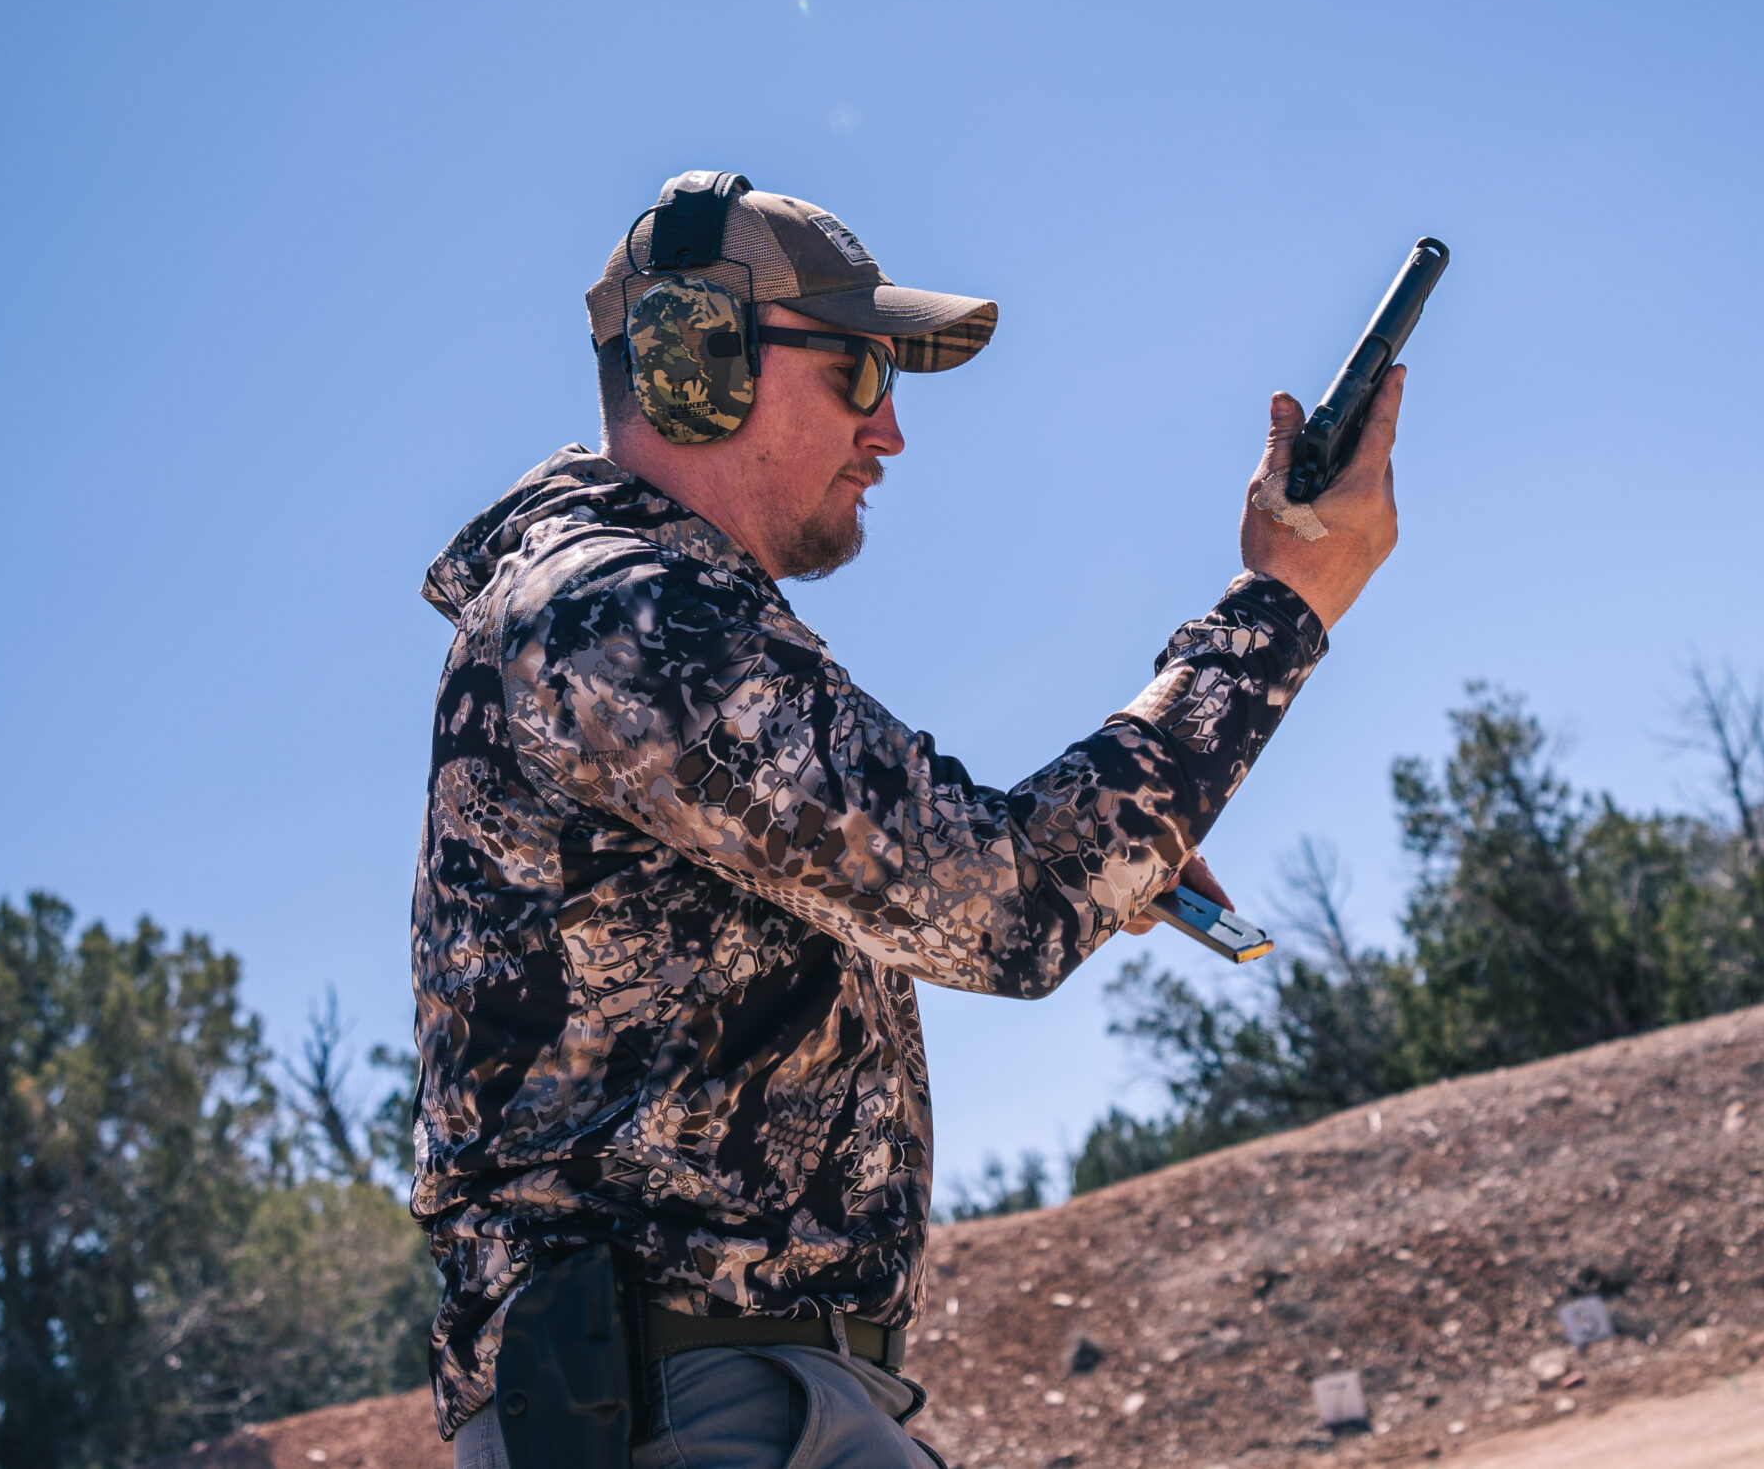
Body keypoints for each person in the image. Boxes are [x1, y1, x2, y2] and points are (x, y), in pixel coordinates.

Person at [409, 172, 1405, 1469]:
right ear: (694, 361)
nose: (890, 435)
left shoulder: (620, 618)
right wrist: (1287, 605)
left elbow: (949, 892)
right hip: (687, 1405)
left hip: (714, 1397)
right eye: (859, 377)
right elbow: (999, 904)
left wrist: (1107, 869)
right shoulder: (615, 615)